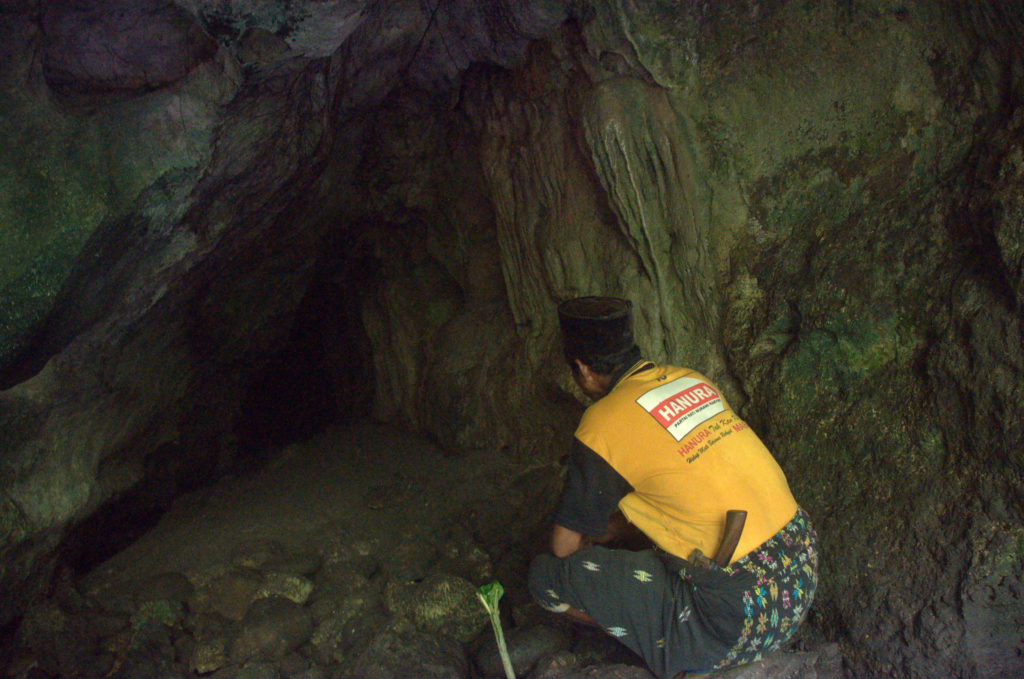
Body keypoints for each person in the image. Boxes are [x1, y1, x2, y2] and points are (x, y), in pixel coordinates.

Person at [528, 297, 819, 679]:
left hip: (738, 616)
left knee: (546, 577)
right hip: (801, 577)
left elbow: (564, 547)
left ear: (582, 369)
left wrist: (595, 540)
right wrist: (617, 528)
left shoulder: (601, 424)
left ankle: (679, 649)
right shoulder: (691, 379)